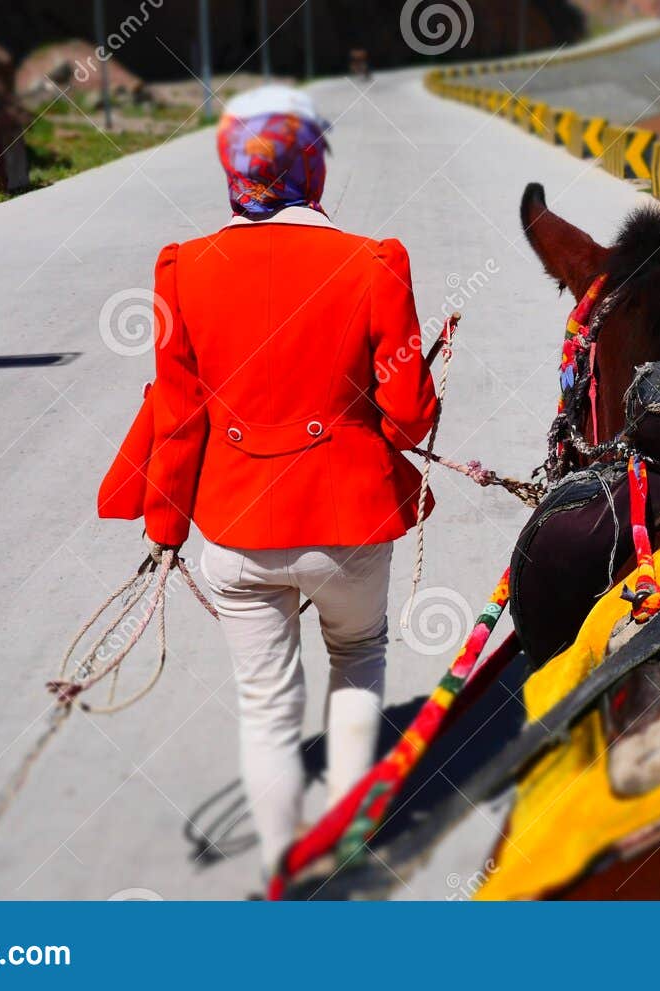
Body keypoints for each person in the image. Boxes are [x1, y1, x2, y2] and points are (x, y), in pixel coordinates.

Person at [139, 85, 437, 874]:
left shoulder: (183, 267)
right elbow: (408, 419)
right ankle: (349, 838)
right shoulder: (374, 262)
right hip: (349, 526)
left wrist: (167, 531)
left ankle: (284, 869)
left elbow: (178, 420)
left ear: (231, 166)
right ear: (314, 167)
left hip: (238, 532)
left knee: (267, 706)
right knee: (359, 651)